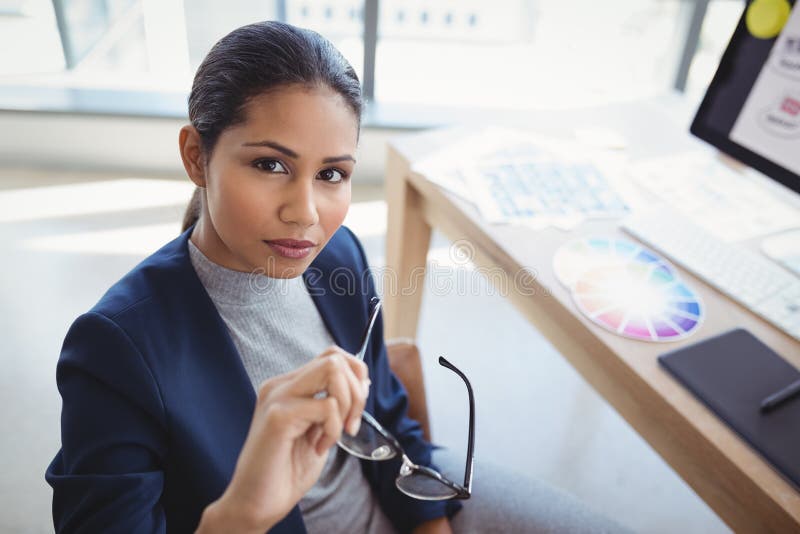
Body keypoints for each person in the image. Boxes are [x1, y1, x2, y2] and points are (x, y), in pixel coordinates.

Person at [45, 21, 629, 534]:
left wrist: (429, 526)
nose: (306, 213)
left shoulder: (337, 253)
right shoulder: (113, 350)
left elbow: (390, 414)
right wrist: (242, 516)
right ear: (197, 156)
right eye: (270, 165)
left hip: (395, 496)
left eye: (331, 174)